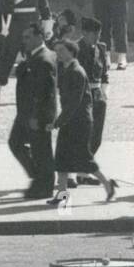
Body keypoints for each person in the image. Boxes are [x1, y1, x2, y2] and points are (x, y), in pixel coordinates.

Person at [49, 39, 116, 205]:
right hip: (71, 120)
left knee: (84, 159)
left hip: (79, 122)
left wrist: (57, 122)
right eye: (56, 51)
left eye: (61, 51)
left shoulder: (76, 71)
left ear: (71, 52)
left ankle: (108, 185)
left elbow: (74, 102)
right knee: (61, 158)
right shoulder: (66, 69)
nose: (58, 54)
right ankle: (62, 195)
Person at [9, 23, 57, 199]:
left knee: (41, 150)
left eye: (28, 37)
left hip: (37, 114)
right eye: (23, 38)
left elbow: (45, 92)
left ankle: (44, 185)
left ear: (40, 37)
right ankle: (39, 178)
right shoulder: (34, 56)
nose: (24, 41)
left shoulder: (44, 59)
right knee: (16, 143)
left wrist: (37, 116)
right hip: (26, 113)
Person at [75, 17, 111, 186]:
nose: (97, 37)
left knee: (96, 137)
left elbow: (104, 73)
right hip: (82, 95)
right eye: (93, 34)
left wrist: (104, 91)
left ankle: (83, 173)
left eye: (99, 34)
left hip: (98, 95)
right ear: (84, 33)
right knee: (80, 135)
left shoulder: (101, 48)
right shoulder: (75, 48)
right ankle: (72, 174)